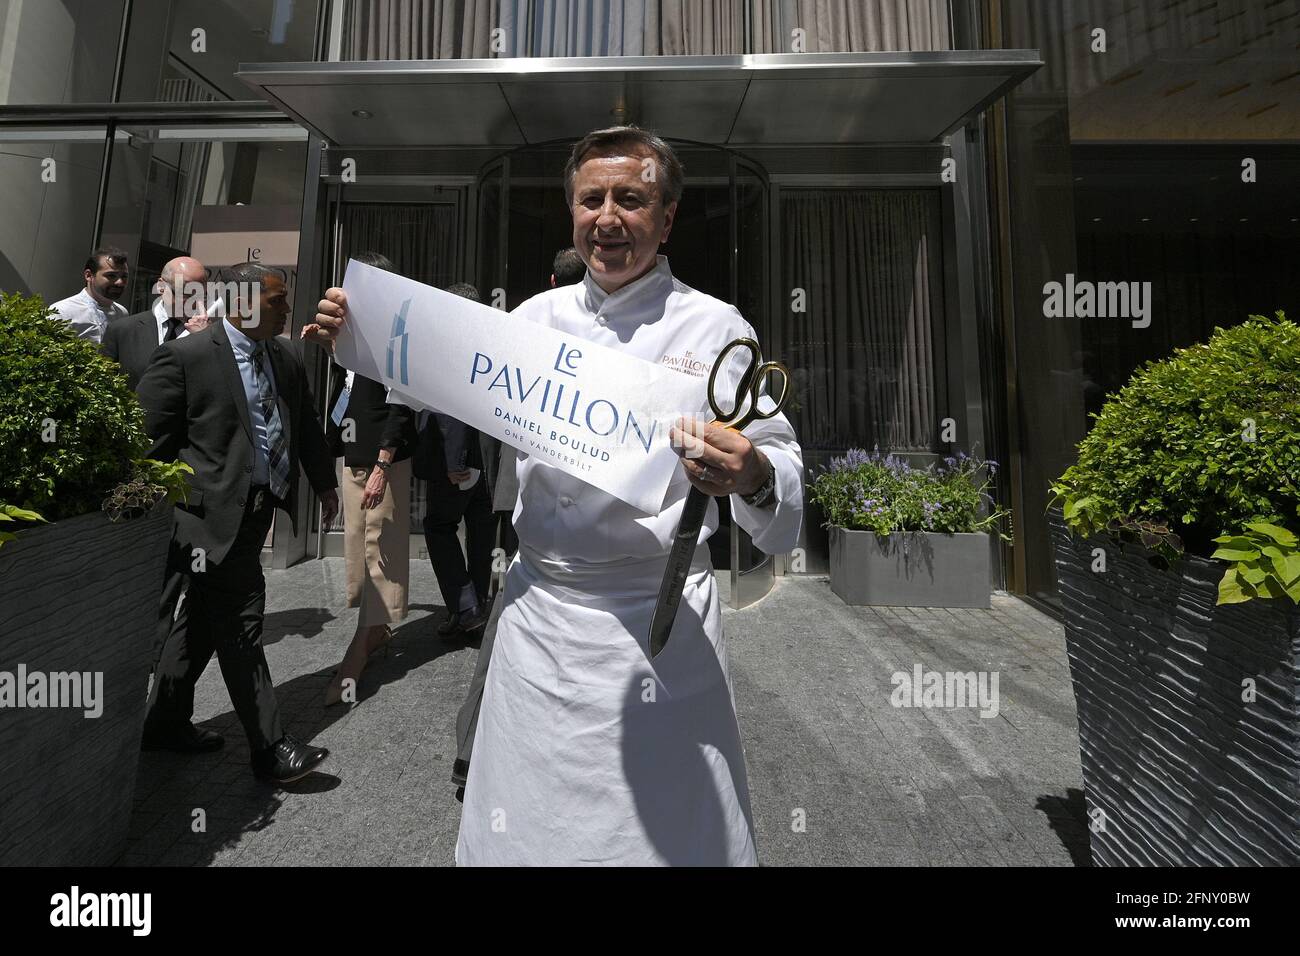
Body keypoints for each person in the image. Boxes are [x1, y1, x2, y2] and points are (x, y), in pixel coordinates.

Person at [308, 126, 803, 865]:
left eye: (630, 200)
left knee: (667, 833)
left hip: (660, 627)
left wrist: (754, 474)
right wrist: (360, 336)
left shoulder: (715, 326)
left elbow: (782, 465)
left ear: (666, 218)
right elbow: (434, 371)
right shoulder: (530, 323)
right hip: (542, 621)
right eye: (591, 199)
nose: (608, 217)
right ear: (572, 210)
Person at [138, 262, 340, 785]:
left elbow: (306, 427)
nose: (286, 308)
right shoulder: (186, 358)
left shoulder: (286, 358)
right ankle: (270, 750)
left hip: (256, 513)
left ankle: (163, 722)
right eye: (277, 300)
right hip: (204, 523)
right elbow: (145, 445)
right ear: (244, 301)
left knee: (204, 622)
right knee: (243, 620)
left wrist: (323, 485)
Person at [321, 252, 418, 707]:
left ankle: (356, 655)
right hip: (352, 455)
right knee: (360, 553)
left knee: (381, 552)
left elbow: (401, 405)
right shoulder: (355, 334)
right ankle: (376, 632)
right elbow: (351, 393)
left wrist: (382, 466)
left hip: (382, 462)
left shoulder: (396, 333)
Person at [410, 282, 495, 639]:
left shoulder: (453, 346)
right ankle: (473, 608)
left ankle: (466, 606)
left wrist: (454, 459)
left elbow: (453, 410)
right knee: (480, 535)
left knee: (439, 527)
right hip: (488, 462)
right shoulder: (490, 344)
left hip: (457, 461)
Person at [102, 256, 213, 391]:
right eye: (185, 293)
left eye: (200, 294)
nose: (194, 302)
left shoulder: (210, 336)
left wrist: (204, 340)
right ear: (161, 286)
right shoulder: (122, 331)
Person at [50, 247, 130, 344]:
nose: (120, 282)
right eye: (111, 276)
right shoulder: (62, 311)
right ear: (88, 275)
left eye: (124, 276)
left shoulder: (122, 313)